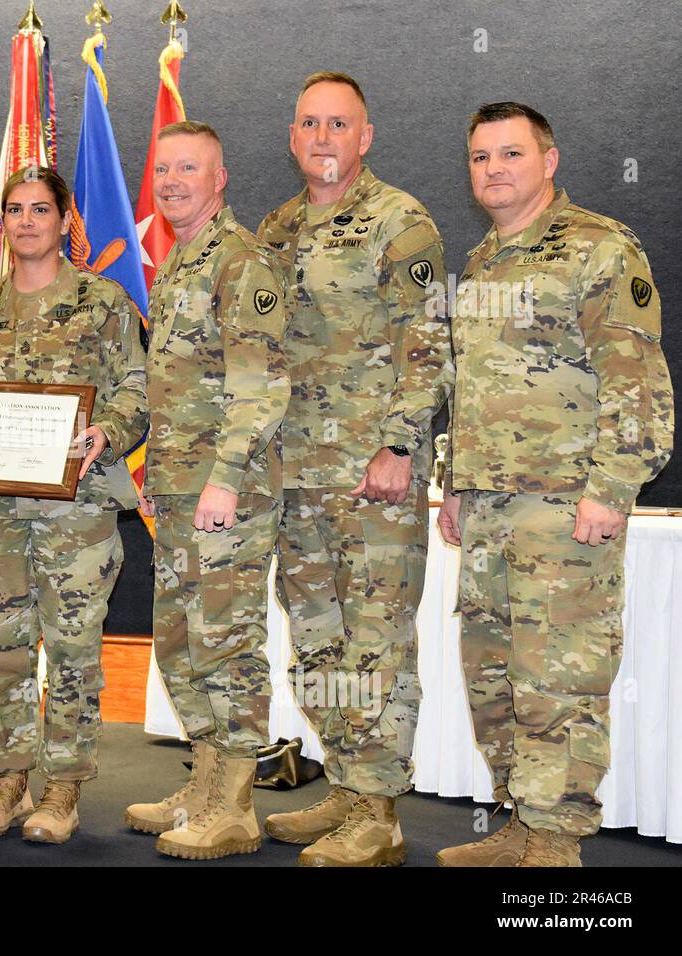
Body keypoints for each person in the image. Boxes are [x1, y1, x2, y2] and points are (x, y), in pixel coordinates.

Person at [437, 102, 673, 867]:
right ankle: (520, 820)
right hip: (489, 507)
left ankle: (556, 842)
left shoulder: (599, 247)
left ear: (550, 160)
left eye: (510, 153)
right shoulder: (481, 260)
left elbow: (636, 379)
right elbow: (471, 385)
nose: (493, 169)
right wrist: (456, 483)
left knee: (559, 676)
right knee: (494, 671)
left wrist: (612, 486)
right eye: (480, 157)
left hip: (565, 506)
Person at [256, 72, 452, 866]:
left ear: (364, 138)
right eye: (310, 124)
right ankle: (343, 782)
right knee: (318, 643)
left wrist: (401, 444)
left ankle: (378, 811)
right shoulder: (276, 228)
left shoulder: (401, 223)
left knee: (375, 641)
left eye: (340, 124)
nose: (324, 138)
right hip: (296, 475)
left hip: (374, 475)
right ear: (294, 136)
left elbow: (432, 341)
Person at [0, 166, 147, 844]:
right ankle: (10, 778)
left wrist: (108, 430)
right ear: (3, 222)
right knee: (3, 647)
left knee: (75, 648)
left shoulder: (102, 302)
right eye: (14, 210)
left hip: (76, 511)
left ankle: (64, 787)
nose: (26, 221)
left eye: (40, 209)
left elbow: (136, 393)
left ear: (63, 219)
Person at [122, 121, 290, 860]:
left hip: (230, 496)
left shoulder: (241, 262)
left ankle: (236, 807)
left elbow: (259, 387)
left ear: (220, 178)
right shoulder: (178, 262)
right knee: (182, 644)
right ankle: (204, 782)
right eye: (163, 170)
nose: (171, 182)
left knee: (227, 647)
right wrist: (162, 473)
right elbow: (179, 389)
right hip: (182, 490)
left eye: (188, 169)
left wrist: (222, 481)